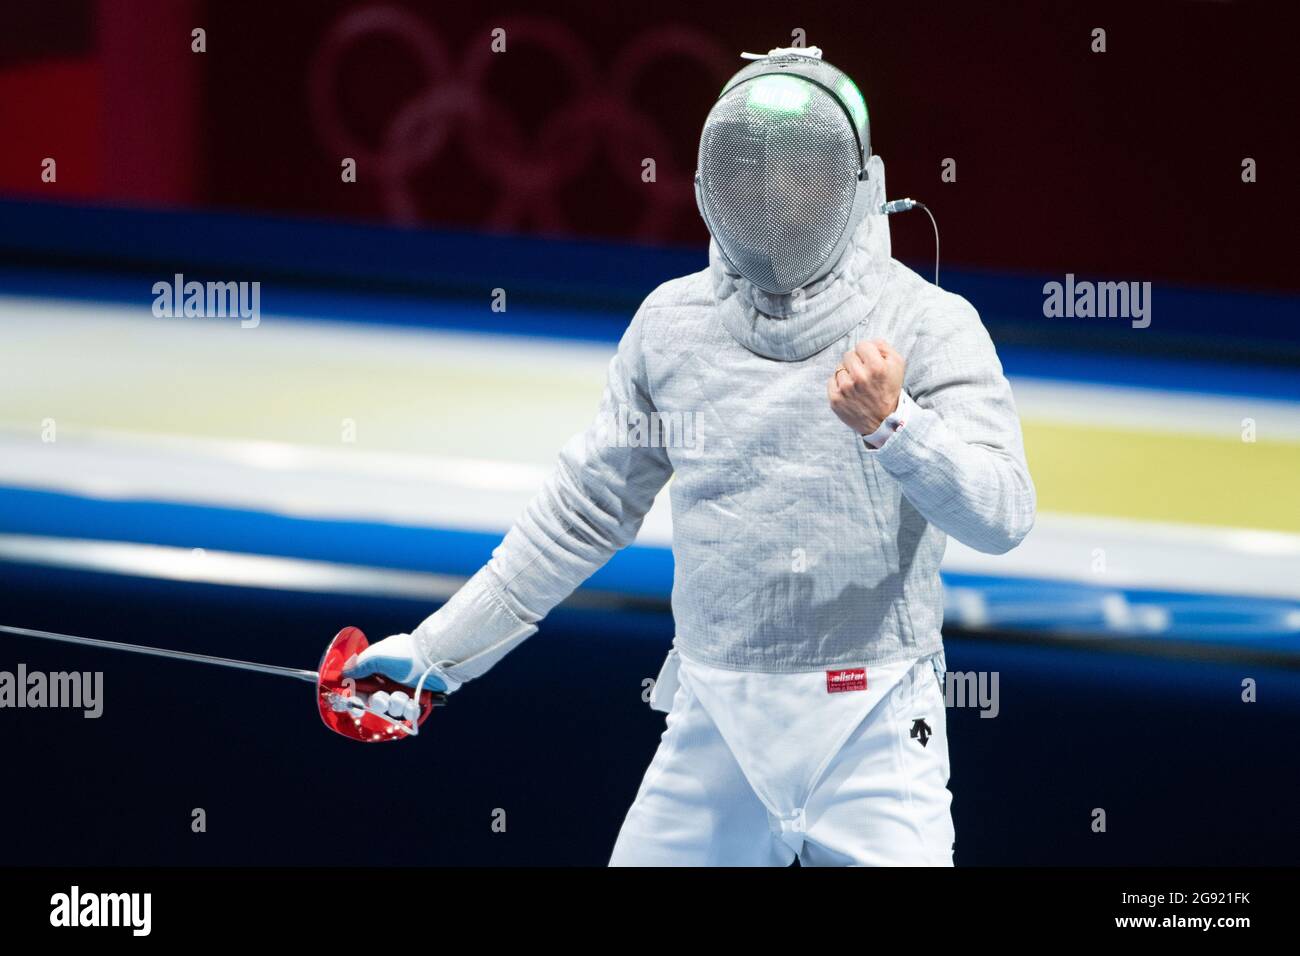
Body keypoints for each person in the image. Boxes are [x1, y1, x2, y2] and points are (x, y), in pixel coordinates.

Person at [346, 46, 1035, 866]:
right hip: (716, 719)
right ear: (712, 188)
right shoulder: (672, 328)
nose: (777, 195)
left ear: (857, 186)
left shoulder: (928, 323)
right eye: (752, 172)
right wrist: (435, 656)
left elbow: (1002, 515)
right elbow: (580, 513)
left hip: (876, 723)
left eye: (805, 171)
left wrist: (897, 428)